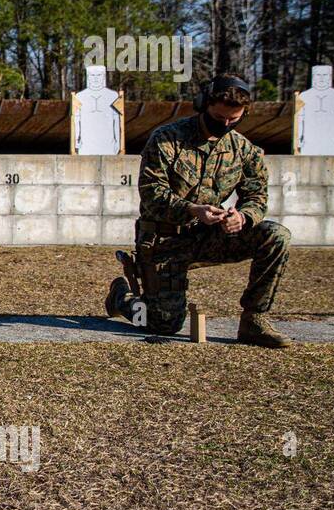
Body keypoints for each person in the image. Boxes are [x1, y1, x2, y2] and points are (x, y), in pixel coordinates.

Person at [105, 76, 292, 347]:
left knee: (276, 235)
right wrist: (192, 210)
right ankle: (122, 298)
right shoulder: (166, 139)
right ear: (203, 105)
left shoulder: (244, 150)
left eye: (234, 119)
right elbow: (151, 192)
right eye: (219, 117)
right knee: (163, 324)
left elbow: (256, 197)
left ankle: (254, 320)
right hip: (165, 240)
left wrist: (242, 217)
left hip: (211, 238)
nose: (226, 124)